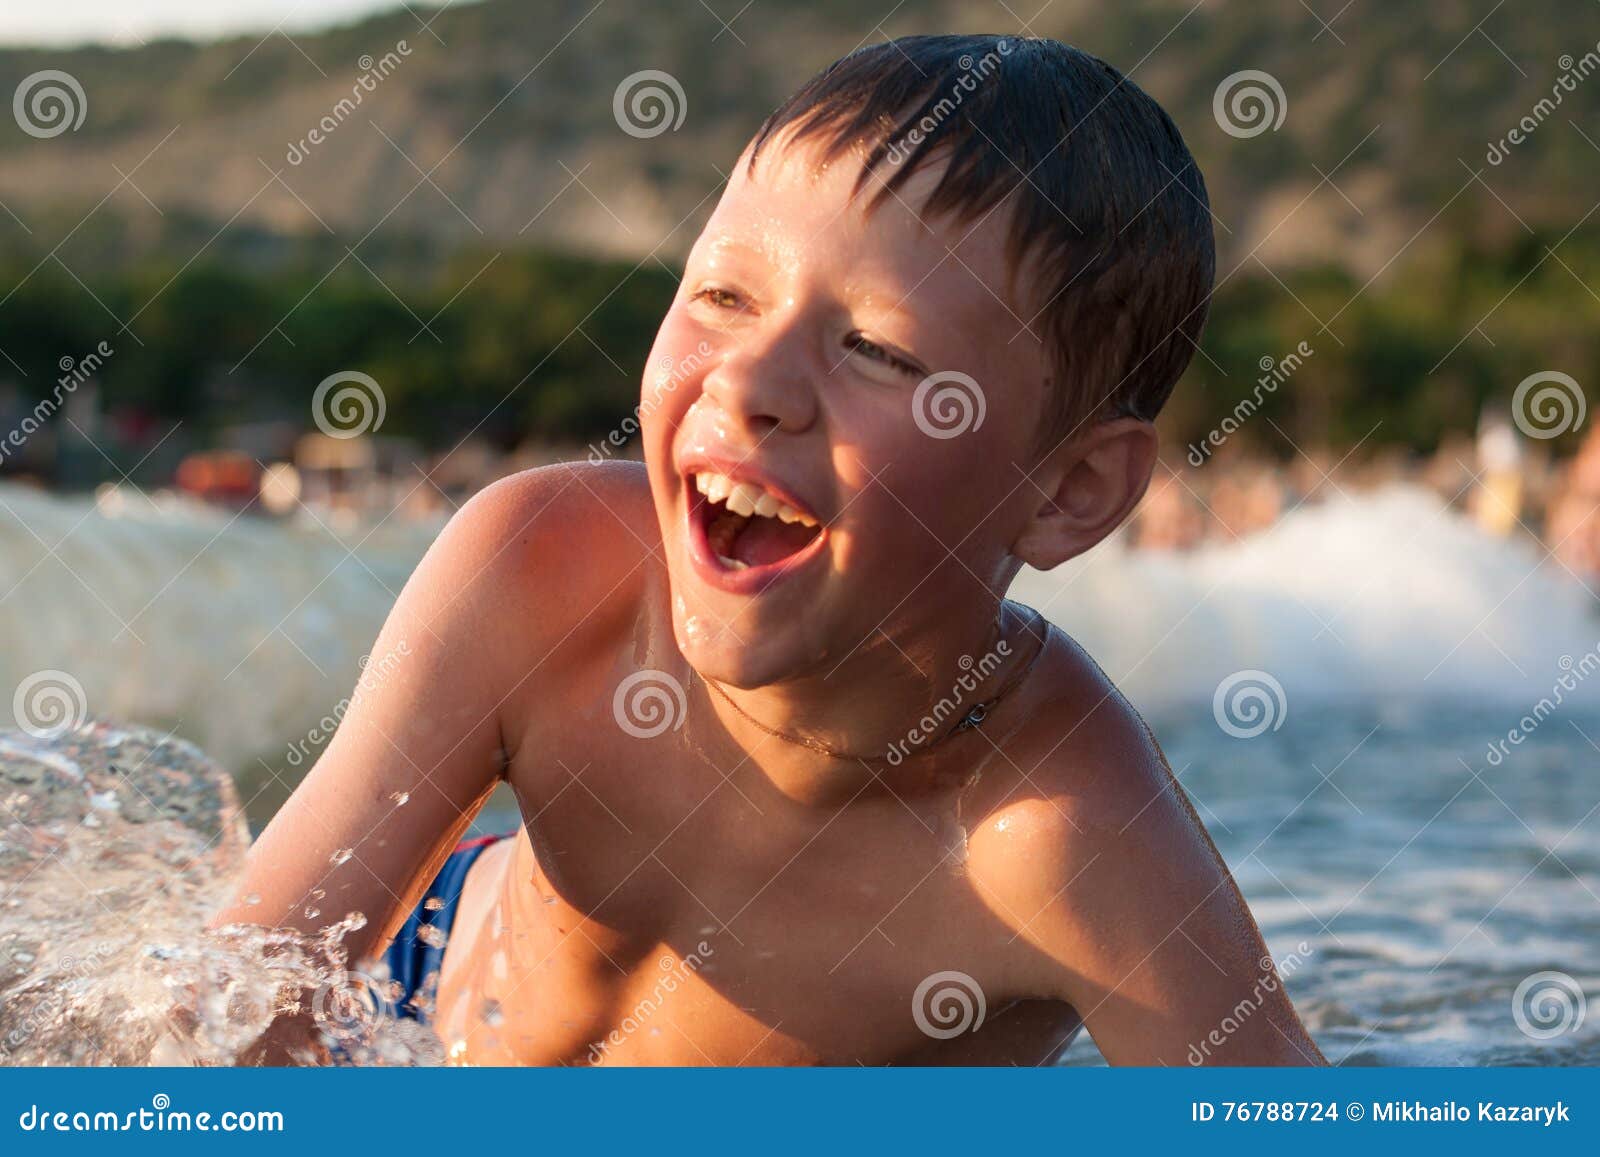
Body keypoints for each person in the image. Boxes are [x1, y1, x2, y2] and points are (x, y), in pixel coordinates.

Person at [216, 34, 1324, 1066]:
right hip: (414, 993)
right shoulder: (539, 570)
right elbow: (243, 999)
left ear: (1069, 489)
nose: (748, 383)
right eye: (723, 295)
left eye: (877, 350)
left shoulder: (1052, 832)